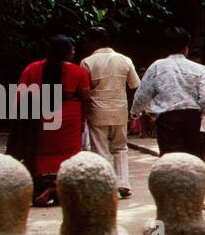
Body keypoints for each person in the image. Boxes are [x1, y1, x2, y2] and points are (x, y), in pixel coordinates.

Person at [17, 34, 91, 206]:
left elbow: (20, 96)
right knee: (68, 154)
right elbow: (86, 99)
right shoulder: (78, 71)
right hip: (69, 118)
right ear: (68, 53)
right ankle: (57, 186)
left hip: (41, 116)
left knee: (40, 153)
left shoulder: (32, 68)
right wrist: (82, 120)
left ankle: (44, 187)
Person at [131, 26, 205, 158]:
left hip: (167, 120)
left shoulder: (157, 67)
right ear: (186, 48)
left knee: (171, 160)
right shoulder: (199, 69)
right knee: (192, 160)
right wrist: (200, 113)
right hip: (193, 119)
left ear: (165, 47)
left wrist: (135, 113)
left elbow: (142, 95)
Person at [79, 27, 140, 198]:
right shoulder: (125, 60)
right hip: (120, 109)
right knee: (120, 147)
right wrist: (134, 112)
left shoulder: (87, 62)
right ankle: (123, 183)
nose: (85, 44)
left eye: (87, 40)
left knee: (100, 149)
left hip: (97, 110)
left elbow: (84, 90)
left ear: (95, 41)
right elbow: (135, 86)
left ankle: (106, 184)